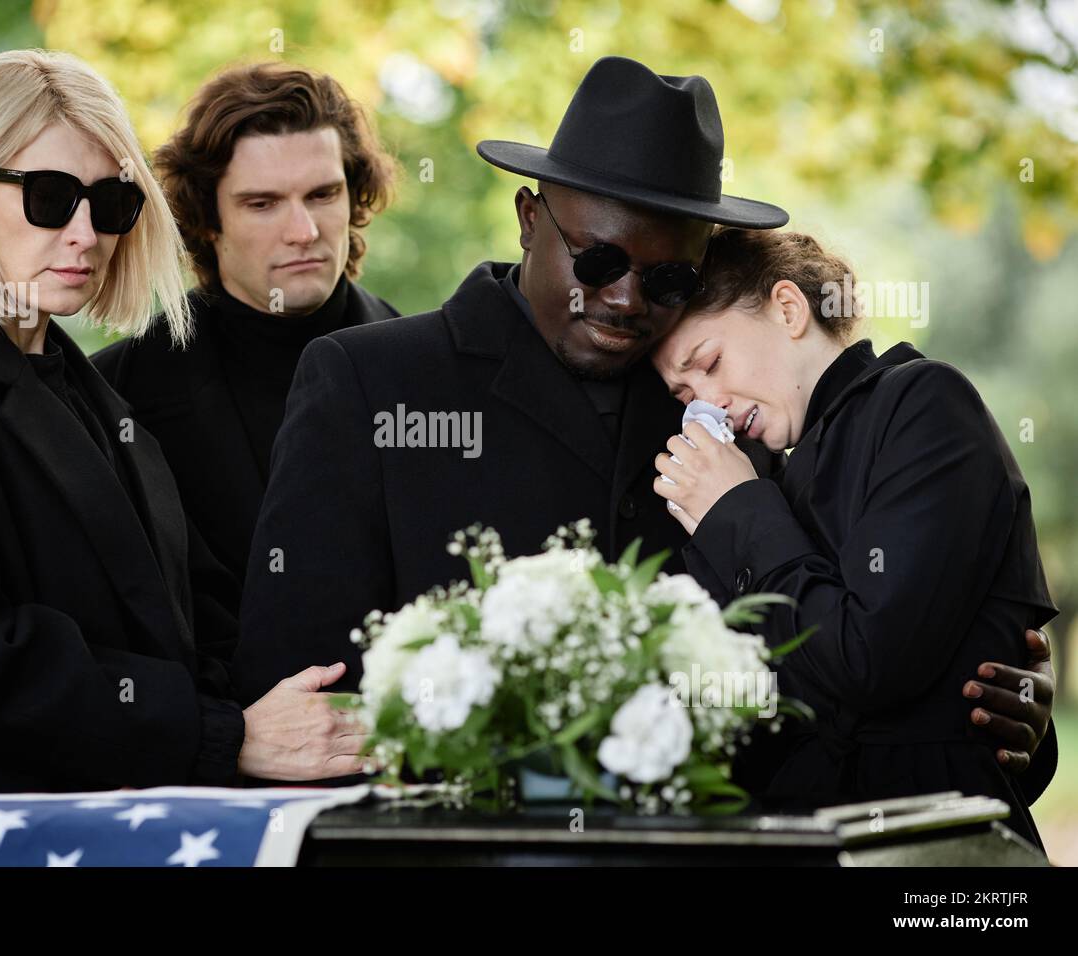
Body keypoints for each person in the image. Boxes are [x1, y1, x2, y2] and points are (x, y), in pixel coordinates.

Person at [230, 55, 1056, 794]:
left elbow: (833, 649)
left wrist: (999, 720)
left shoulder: (741, 413)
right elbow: (300, 694)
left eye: (667, 278)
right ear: (528, 218)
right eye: (598, 260)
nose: (627, 299)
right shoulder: (369, 382)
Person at [0, 49, 363, 793]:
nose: (86, 232)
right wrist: (223, 735)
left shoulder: (94, 397)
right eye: (51, 196)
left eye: (110, 201)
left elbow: (193, 631)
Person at [650, 226, 1058, 843]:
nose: (709, 405)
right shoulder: (772, 476)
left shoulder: (923, 401)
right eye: (685, 394)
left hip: (924, 851)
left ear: (789, 309)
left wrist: (738, 509)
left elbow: (869, 663)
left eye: (709, 363)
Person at [92, 62, 399, 587]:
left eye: (322, 195)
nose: (303, 231)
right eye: (263, 204)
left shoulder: (422, 365)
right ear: (207, 221)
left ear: (353, 198)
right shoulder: (116, 395)